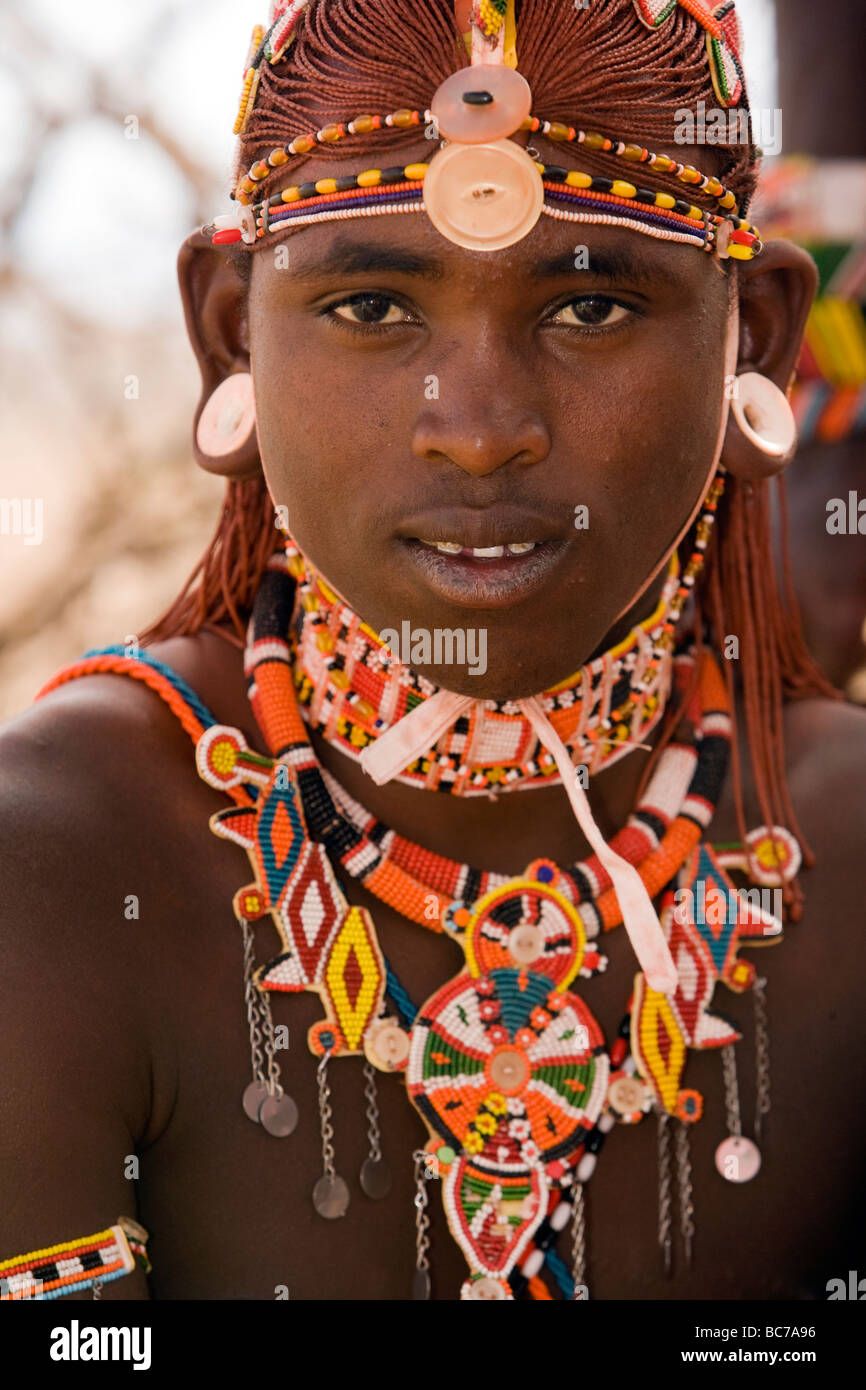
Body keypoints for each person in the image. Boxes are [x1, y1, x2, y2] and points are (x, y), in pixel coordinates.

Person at [1, 0, 864, 1303]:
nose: (475, 427)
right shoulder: (52, 869)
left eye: (586, 306)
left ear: (755, 336)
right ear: (230, 332)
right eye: (367, 304)